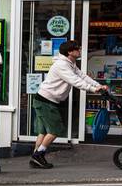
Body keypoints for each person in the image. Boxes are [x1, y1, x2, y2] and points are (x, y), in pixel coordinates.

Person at [30, 39, 107, 169]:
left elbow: (82, 76)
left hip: (43, 99)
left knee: (43, 132)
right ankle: (38, 155)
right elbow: (75, 81)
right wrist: (93, 89)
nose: (79, 50)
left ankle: (35, 157)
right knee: (55, 130)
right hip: (46, 101)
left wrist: (98, 85)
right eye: (77, 49)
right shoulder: (61, 65)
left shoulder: (70, 63)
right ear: (70, 52)